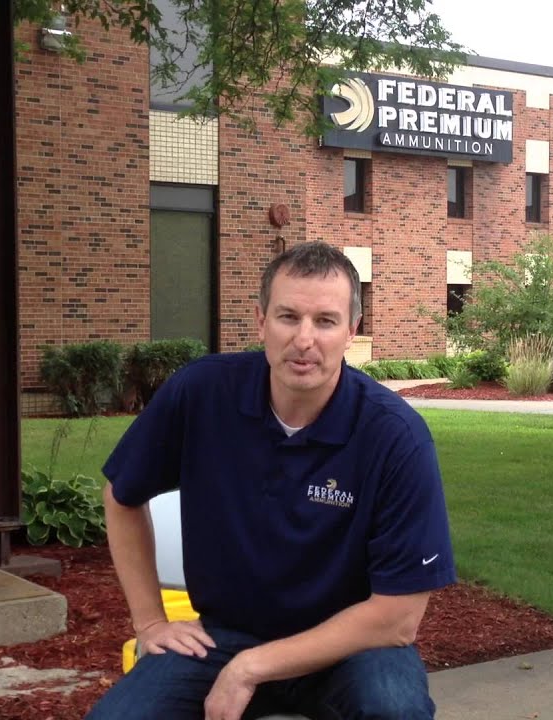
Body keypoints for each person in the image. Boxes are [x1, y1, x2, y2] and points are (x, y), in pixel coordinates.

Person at [87, 241, 455, 720]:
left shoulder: (395, 437)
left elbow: (397, 620)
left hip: (353, 648)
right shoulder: (202, 394)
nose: (304, 339)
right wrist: (151, 621)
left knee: (393, 710)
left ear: (352, 331)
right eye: (288, 317)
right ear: (260, 320)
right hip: (222, 637)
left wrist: (251, 668)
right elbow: (121, 496)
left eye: (325, 321)